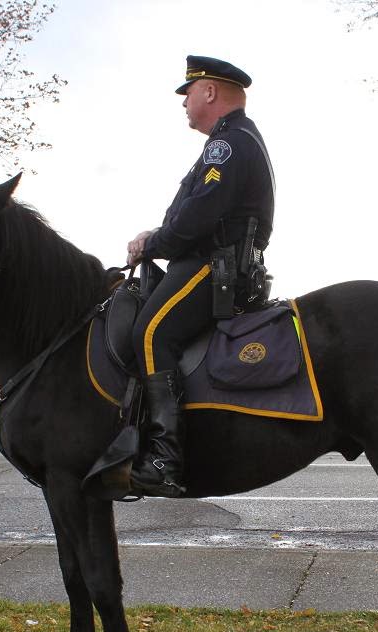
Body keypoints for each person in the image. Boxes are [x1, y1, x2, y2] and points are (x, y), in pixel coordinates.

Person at [126, 55, 275, 497]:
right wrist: (158, 233)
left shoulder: (226, 145)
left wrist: (153, 244)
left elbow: (199, 216)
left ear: (209, 92)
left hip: (214, 266)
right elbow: (197, 213)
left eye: (188, 93)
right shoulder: (235, 141)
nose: (184, 103)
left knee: (150, 333)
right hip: (219, 260)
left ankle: (164, 458)